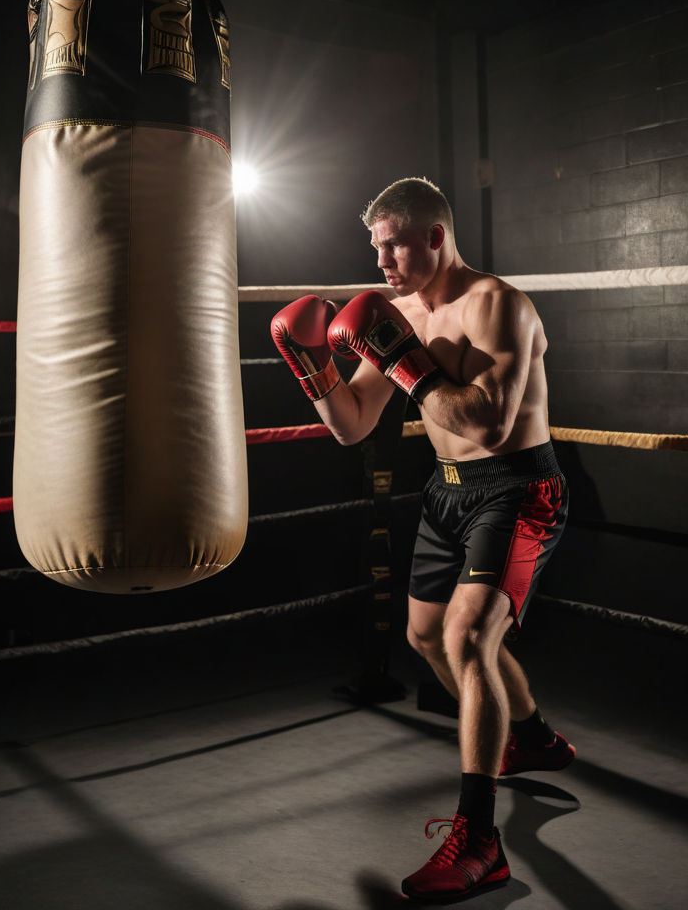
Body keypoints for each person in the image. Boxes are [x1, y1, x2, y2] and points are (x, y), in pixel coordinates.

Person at [270, 176, 572, 902]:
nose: (382, 262)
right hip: (447, 492)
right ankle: (529, 736)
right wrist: (312, 367)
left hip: (517, 489)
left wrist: (405, 358)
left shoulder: (499, 305)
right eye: (375, 247)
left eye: (393, 244)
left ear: (435, 235)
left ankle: (480, 842)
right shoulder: (395, 312)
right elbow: (353, 426)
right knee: (428, 639)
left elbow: (491, 425)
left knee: (470, 641)